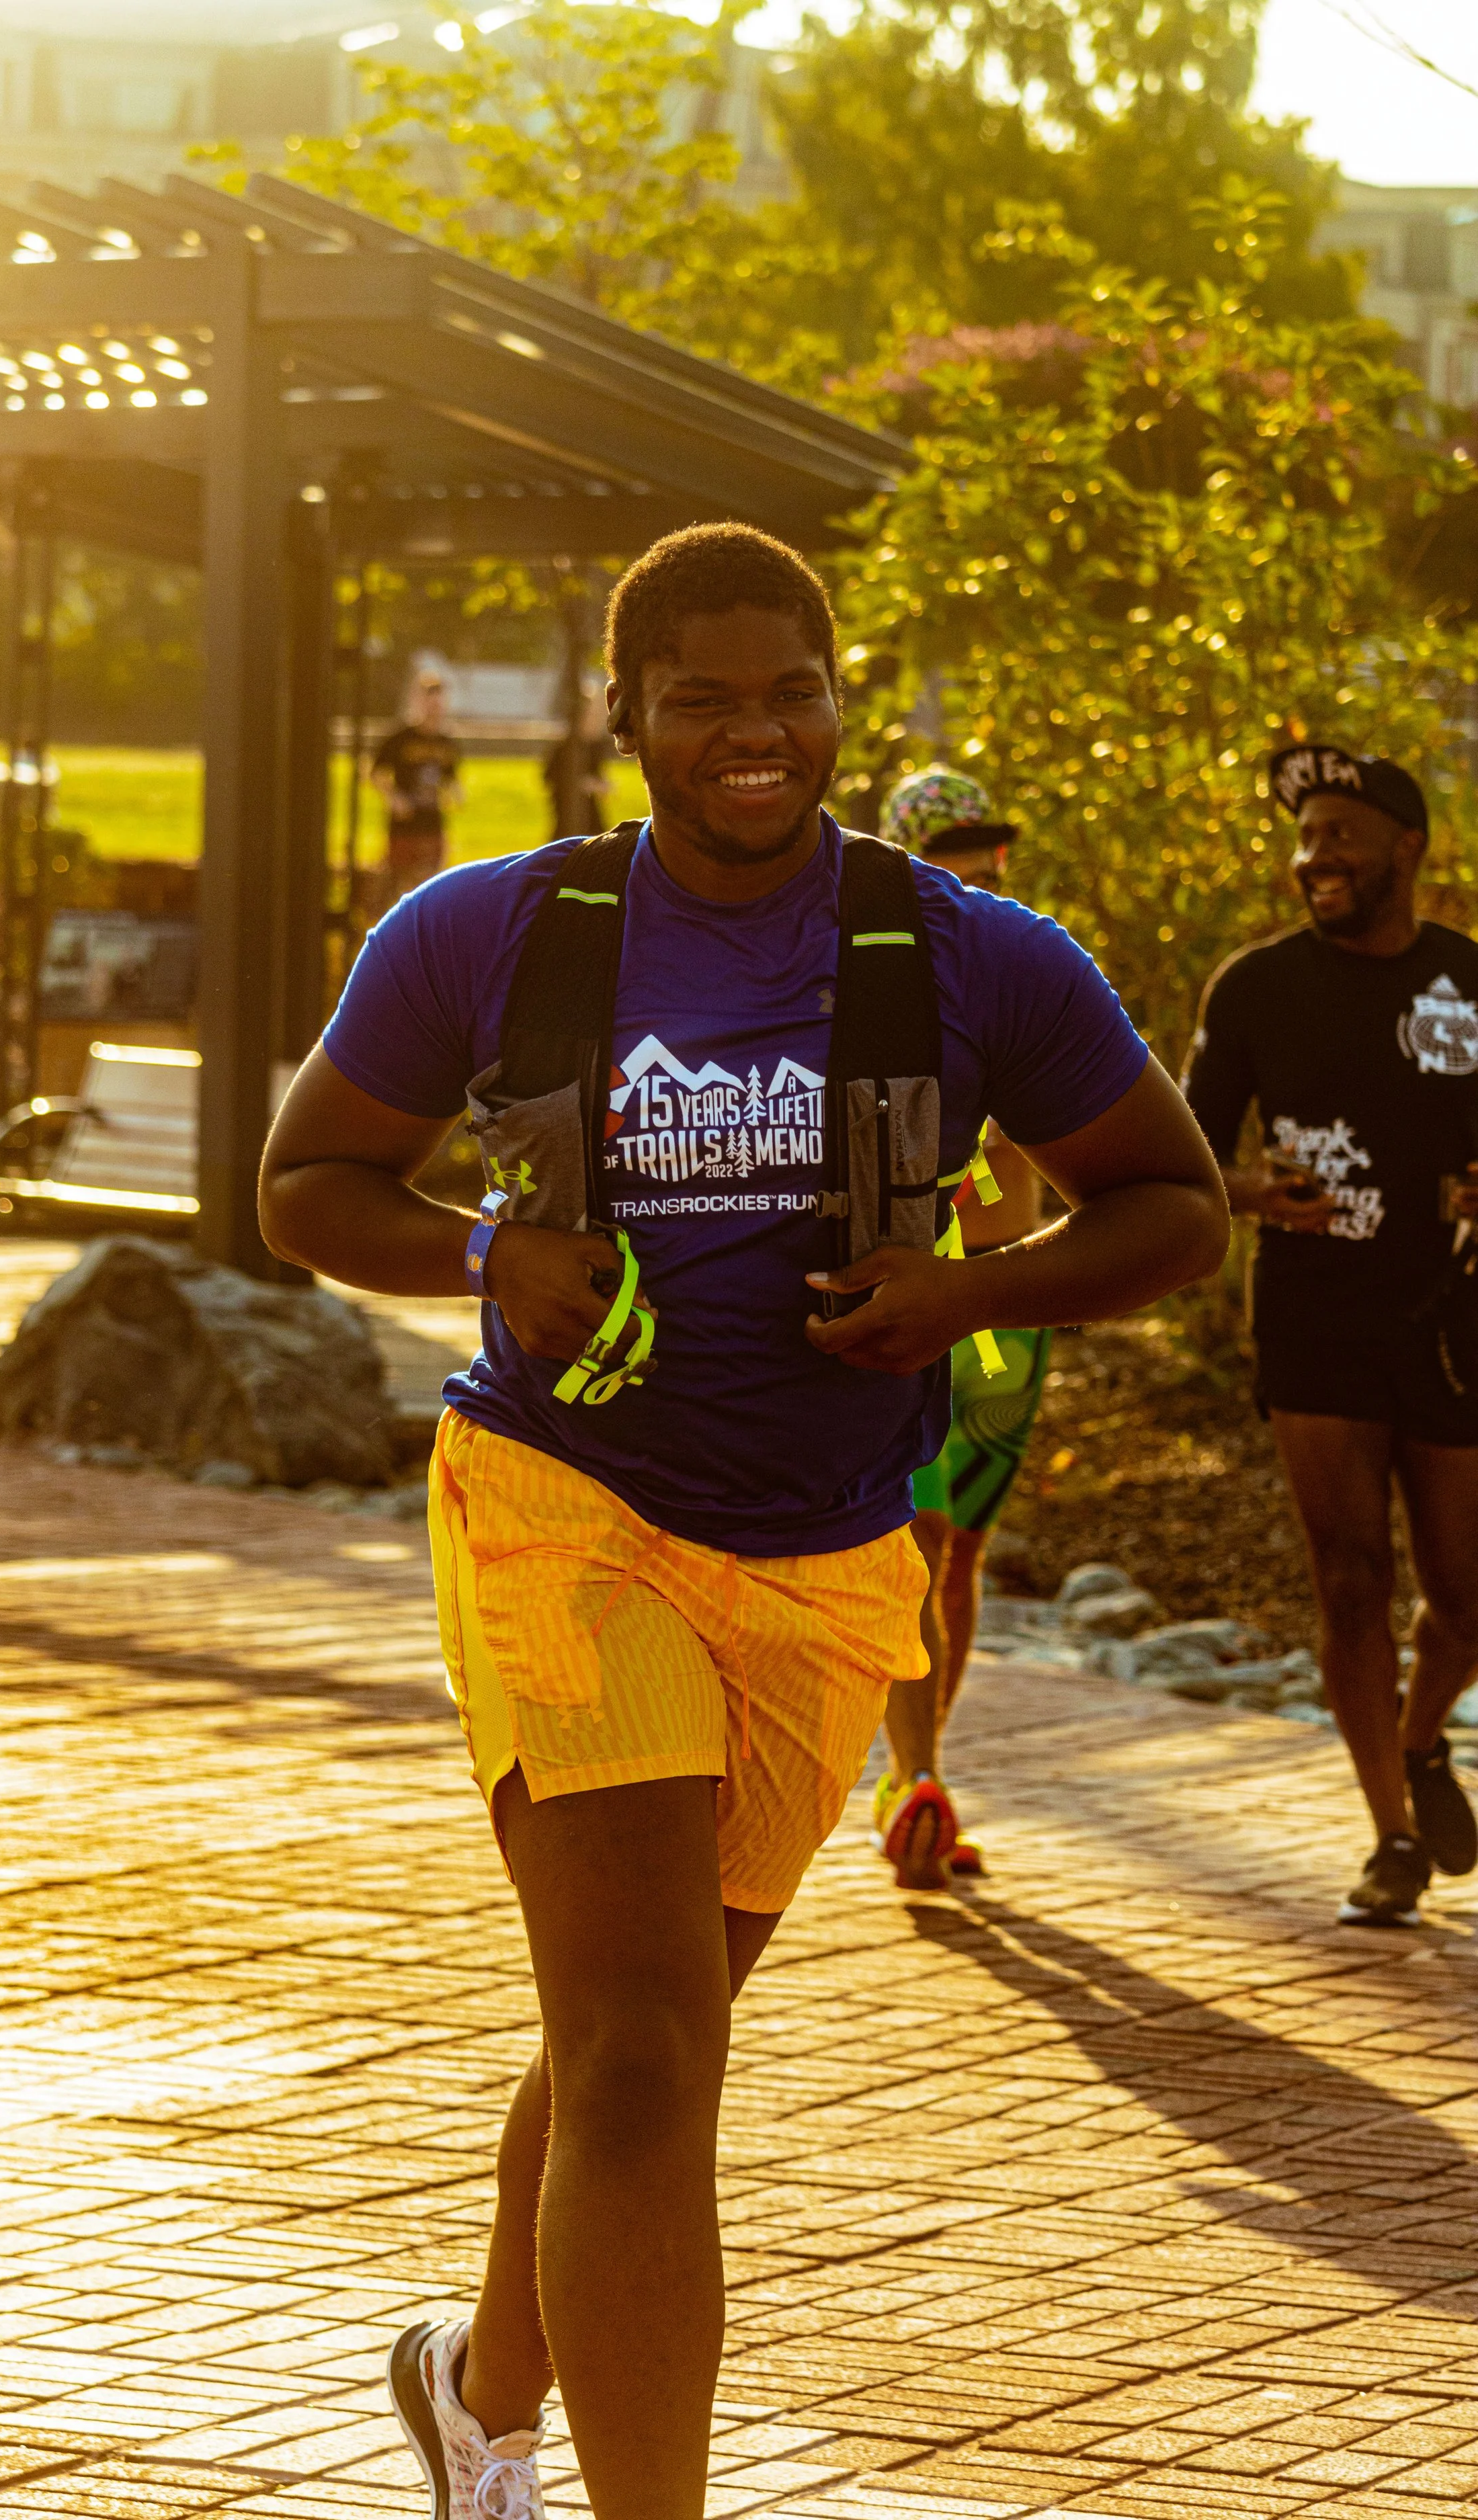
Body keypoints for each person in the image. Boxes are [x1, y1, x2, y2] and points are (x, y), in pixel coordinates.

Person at [259, 522, 1229, 2520]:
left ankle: (474, 2380)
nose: (750, 734)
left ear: (834, 699)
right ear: (624, 717)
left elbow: (1171, 1204)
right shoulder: (488, 932)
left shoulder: (962, 949)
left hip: (823, 1544)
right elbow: (301, 1182)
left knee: (652, 2037)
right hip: (562, 1501)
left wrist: (964, 1289)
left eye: (784, 690)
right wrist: (472, 1251)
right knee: (632, 2048)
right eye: (696, 697)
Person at [1184, 742, 1478, 1930]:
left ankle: (1419, 1744)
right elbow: (1185, 1153)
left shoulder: (1467, 980)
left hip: (1453, 1315)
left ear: (1406, 850)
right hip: (1313, 1314)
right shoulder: (1253, 990)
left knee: (1465, 1600)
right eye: (1306, 840)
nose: (1317, 859)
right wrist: (1256, 1195)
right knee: (1349, 1580)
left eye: (1342, 837)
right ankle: (1392, 1839)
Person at [870, 767, 1053, 1887]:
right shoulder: (877, 985)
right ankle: (917, 1776)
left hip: (1016, 1299)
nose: (980, 866)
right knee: (920, 1547)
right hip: (925, 1294)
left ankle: (918, 1769)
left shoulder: (1032, 971)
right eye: (953, 849)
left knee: (967, 1554)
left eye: (988, 846)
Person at [372, 671, 463, 902]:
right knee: (401, 881)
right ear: (418, 702)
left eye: (438, 702)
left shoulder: (447, 742)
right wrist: (394, 798)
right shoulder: (400, 738)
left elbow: (450, 778)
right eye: (428, 701)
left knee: (431, 883)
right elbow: (376, 773)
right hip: (404, 823)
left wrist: (456, 793)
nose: (434, 708)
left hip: (432, 821)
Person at [546, 683, 613, 840]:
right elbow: (549, 778)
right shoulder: (565, 748)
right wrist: (582, 783)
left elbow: (599, 778)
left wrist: (601, 785)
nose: (597, 720)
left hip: (591, 818)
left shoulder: (595, 748)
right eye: (592, 715)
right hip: (569, 816)